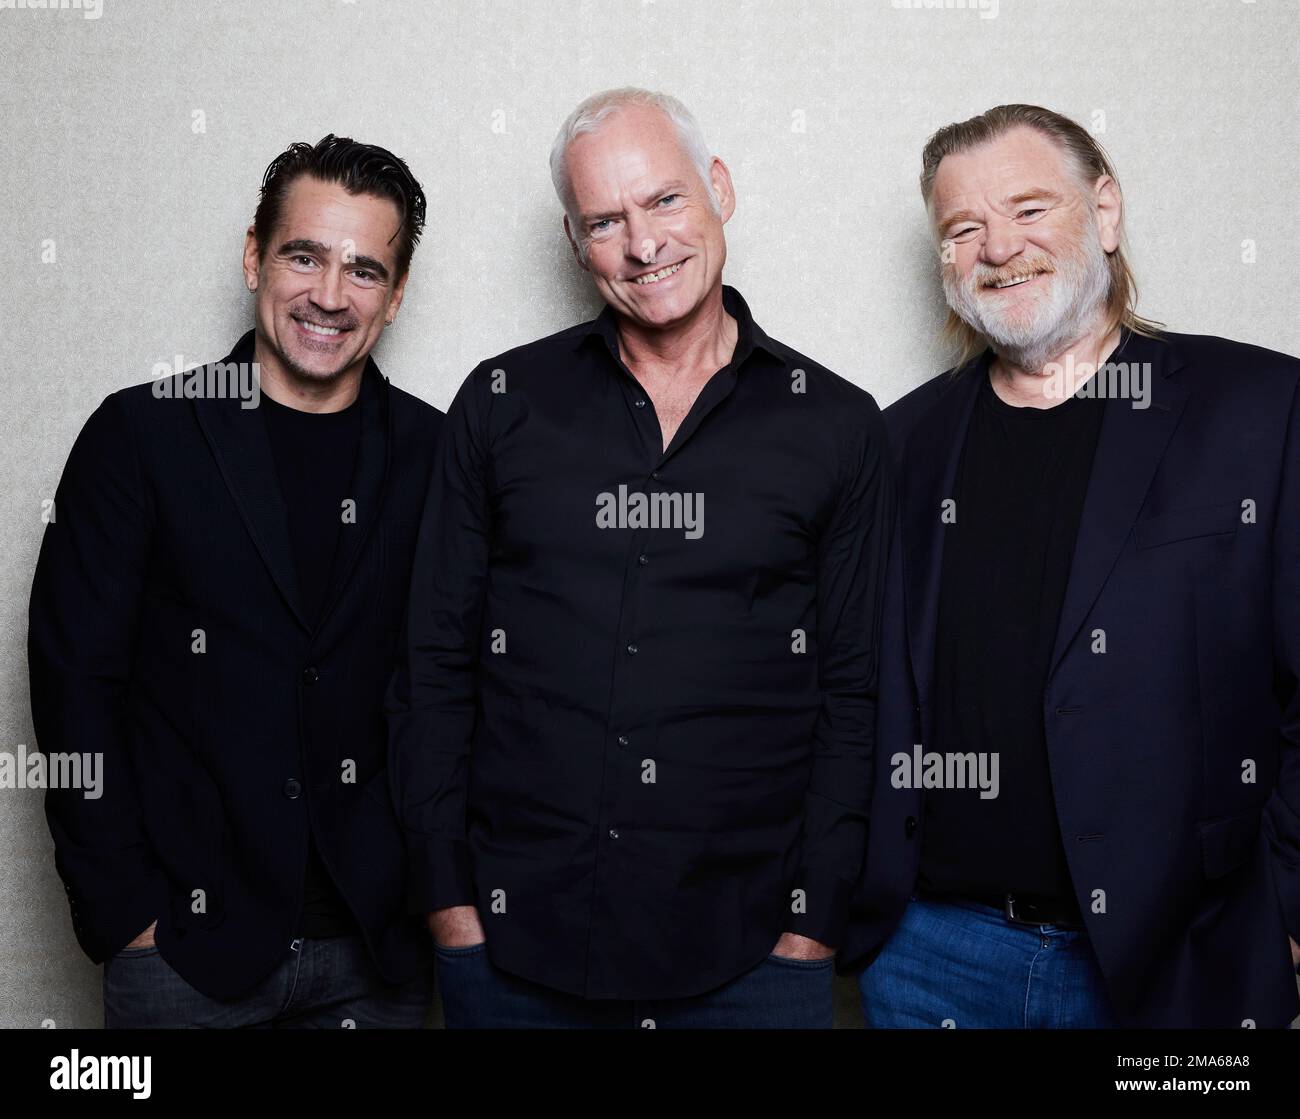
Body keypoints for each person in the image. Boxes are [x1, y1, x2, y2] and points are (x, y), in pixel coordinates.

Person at [388, 88, 893, 1028]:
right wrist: (449, 910)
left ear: (719, 189)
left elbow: (854, 693)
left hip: (754, 960)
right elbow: (432, 666)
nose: (643, 242)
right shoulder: (500, 403)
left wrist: (813, 928)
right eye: (605, 220)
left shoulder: (837, 424)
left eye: (664, 201)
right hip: (509, 949)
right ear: (577, 244)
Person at [845, 104, 1300, 1028]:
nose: (997, 246)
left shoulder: (1261, 409)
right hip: (933, 956)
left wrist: (1285, 917)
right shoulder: (901, 441)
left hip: (1184, 958)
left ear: (1105, 213)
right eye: (962, 227)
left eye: (1028, 208)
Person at [29, 134, 442, 1028]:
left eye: (364, 270)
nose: (330, 295)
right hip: (183, 955)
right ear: (254, 254)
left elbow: (461, 688)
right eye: (304, 255)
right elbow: (74, 681)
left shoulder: (439, 456)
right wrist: (126, 913)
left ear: (397, 294)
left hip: (379, 954)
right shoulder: (139, 437)